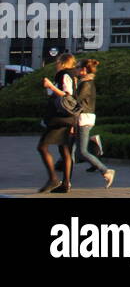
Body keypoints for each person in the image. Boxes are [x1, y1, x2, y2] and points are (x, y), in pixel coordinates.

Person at [37, 53, 79, 193]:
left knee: (42, 146)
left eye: (58, 61)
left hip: (60, 118)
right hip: (67, 118)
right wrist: (50, 88)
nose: (56, 64)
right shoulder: (72, 75)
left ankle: (54, 179)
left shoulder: (65, 74)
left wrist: (51, 86)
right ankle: (66, 183)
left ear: (63, 62)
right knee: (64, 149)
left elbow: (68, 95)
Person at [73, 59, 115, 188]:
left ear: (84, 70)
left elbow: (75, 100)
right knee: (74, 148)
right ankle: (92, 142)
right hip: (84, 117)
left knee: (82, 152)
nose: (76, 69)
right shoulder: (85, 82)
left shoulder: (86, 84)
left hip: (84, 118)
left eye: (78, 67)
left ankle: (105, 170)